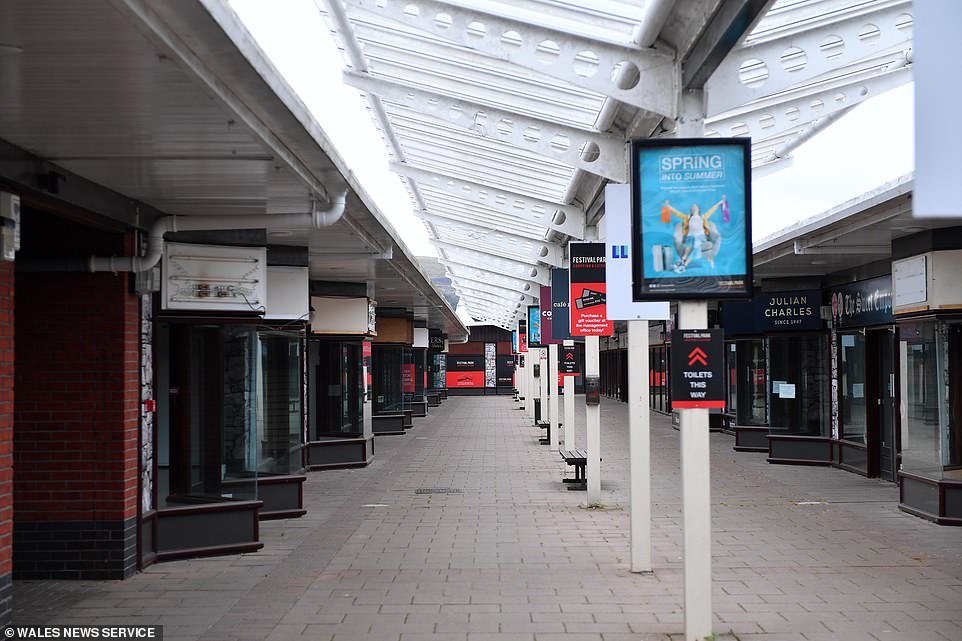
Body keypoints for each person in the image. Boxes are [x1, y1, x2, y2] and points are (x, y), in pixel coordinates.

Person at [664, 196, 726, 270]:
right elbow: (677, 213)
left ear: (698, 209)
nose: (694, 207)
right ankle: (683, 260)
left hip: (700, 236)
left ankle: (684, 264)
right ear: (691, 210)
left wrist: (720, 203)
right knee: (689, 245)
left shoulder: (703, 217)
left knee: (695, 246)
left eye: (695, 206)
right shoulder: (687, 217)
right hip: (690, 236)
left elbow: (711, 210)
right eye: (692, 207)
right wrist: (668, 206)